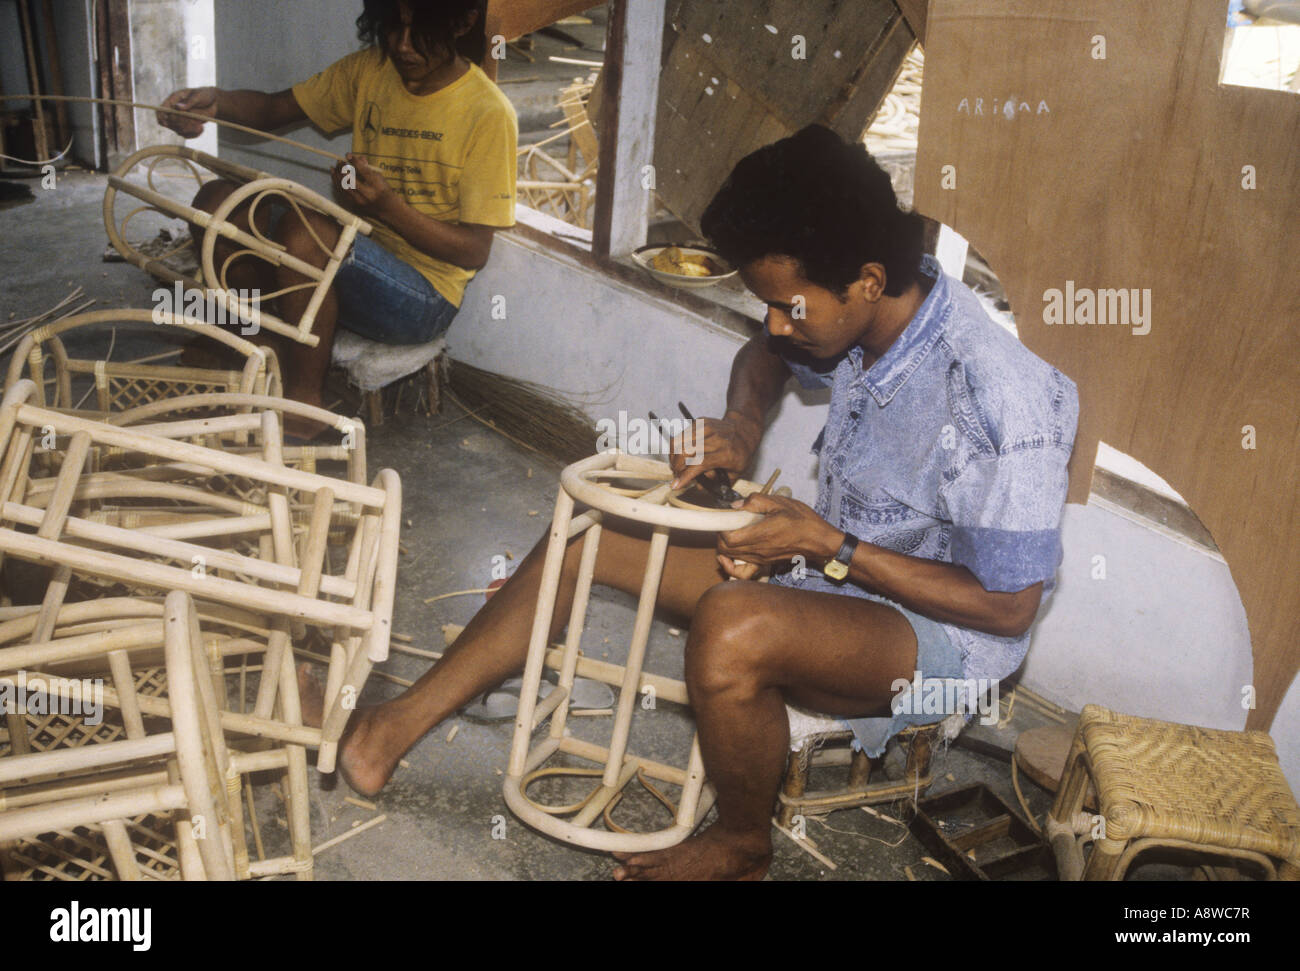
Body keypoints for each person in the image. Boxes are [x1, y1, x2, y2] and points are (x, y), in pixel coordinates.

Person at [300, 124, 1079, 881]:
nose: (776, 324)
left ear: (868, 282)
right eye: (768, 304)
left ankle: (743, 843)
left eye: (789, 307)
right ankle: (389, 730)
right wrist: (740, 429)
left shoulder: (1002, 395)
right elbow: (761, 358)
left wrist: (827, 546)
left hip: (939, 636)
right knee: (591, 532)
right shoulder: (853, 316)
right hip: (836, 570)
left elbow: (1010, 606)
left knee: (733, 630)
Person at [156, 0, 516, 416]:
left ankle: (305, 403)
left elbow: (474, 250)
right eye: (392, 28)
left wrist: (388, 207)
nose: (402, 46)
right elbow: (276, 109)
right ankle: (254, 340)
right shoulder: (371, 69)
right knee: (219, 204)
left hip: (423, 297)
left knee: (304, 232)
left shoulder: (487, 113)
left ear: (463, 22)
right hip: (357, 257)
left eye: (421, 33)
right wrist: (214, 104)